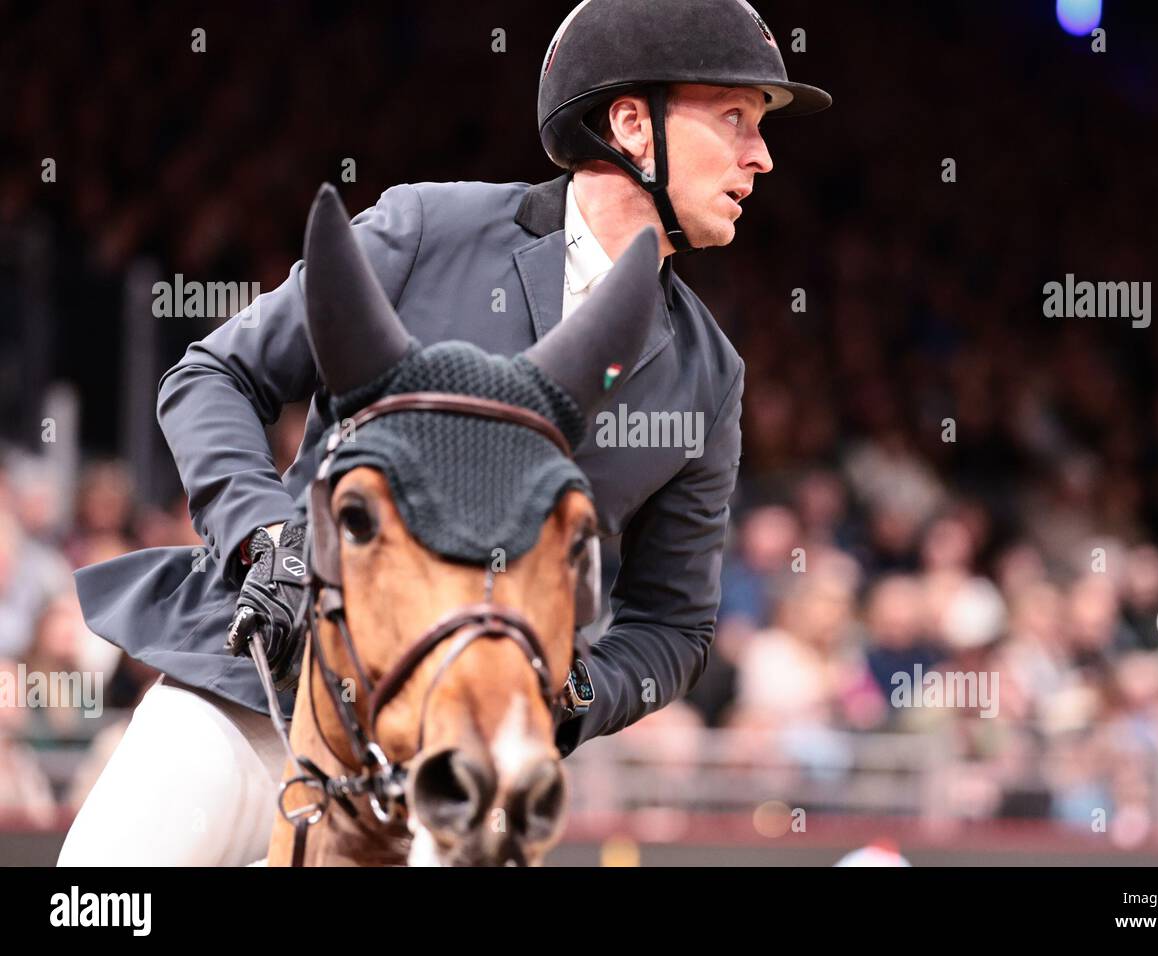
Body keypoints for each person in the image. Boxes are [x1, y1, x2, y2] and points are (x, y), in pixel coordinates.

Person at [59, 0, 830, 865]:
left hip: (465, 763)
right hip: (260, 690)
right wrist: (261, 539)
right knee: (99, 892)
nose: (760, 156)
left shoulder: (707, 374)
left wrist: (567, 688)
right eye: (734, 119)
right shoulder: (432, 231)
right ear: (631, 125)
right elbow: (211, 377)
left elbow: (673, 627)